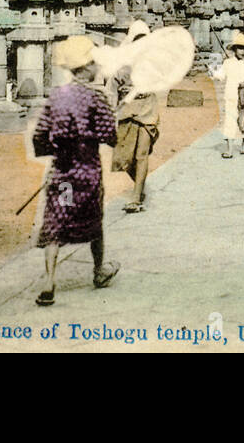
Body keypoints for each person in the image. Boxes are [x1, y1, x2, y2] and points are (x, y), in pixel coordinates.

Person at [32, 35, 120, 306]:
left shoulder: (57, 96)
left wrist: (59, 152)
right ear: (86, 66)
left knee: (57, 220)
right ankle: (98, 270)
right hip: (87, 172)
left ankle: (49, 281)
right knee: (94, 220)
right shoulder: (96, 97)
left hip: (63, 174)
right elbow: (110, 135)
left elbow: (40, 135)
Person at [106, 21, 160, 213]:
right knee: (125, 159)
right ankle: (140, 184)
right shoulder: (122, 65)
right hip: (126, 110)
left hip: (148, 108)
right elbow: (111, 90)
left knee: (141, 154)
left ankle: (136, 198)